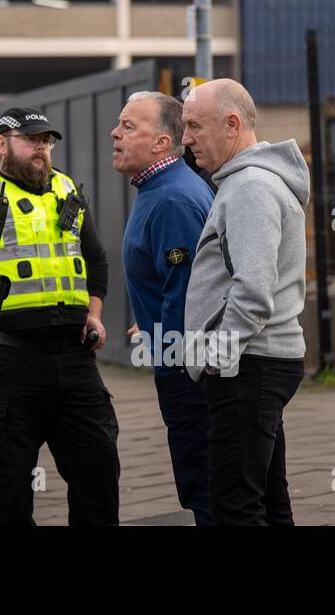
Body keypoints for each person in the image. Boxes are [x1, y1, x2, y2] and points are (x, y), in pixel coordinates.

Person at [0, 108, 119, 526]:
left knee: (98, 468)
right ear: (1, 144)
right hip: (8, 358)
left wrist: (94, 314)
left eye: (47, 141)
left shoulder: (65, 187)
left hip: (75, 357)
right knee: (8, 483)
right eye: (32, 139)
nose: (42, 148)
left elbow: (96, 259)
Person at [180, 79, 310, 526]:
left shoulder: (251, 187)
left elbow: (253, 289)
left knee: (236, 507)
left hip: (248, 366)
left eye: (194, 126)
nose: (186, 139)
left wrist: (216, 355)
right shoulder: (250, 182)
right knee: (270, 502)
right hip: (257, 363)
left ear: (231, 124)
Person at [112, 91, 215, 526]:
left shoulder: (170, 198)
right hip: (181, 358)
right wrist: (150, 322)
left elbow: (189, 290)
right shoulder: (159, 188)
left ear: (160, 144)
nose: (115, 134)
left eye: (129, 127)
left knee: (206, 485)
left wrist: (165, 343)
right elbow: (172, 282)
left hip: (187, 371)